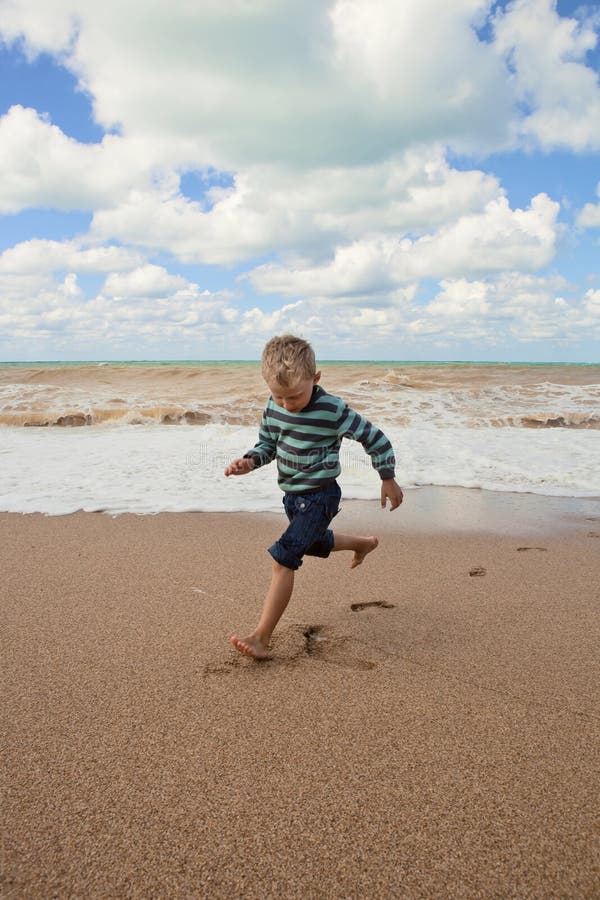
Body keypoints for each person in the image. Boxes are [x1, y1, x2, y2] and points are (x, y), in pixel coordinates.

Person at [224, 334, 404, 659]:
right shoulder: (273, 407)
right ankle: (363, 543)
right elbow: (267, 446)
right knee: (316, 543)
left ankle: (261, 637)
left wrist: (387, 477)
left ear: (316, 378)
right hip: (291, 497)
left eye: (294, 396)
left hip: (321, 496)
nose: (286, 404)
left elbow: (375, 438)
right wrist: (248, 463)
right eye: (278, 397)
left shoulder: (332, 410)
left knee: (284, 559)